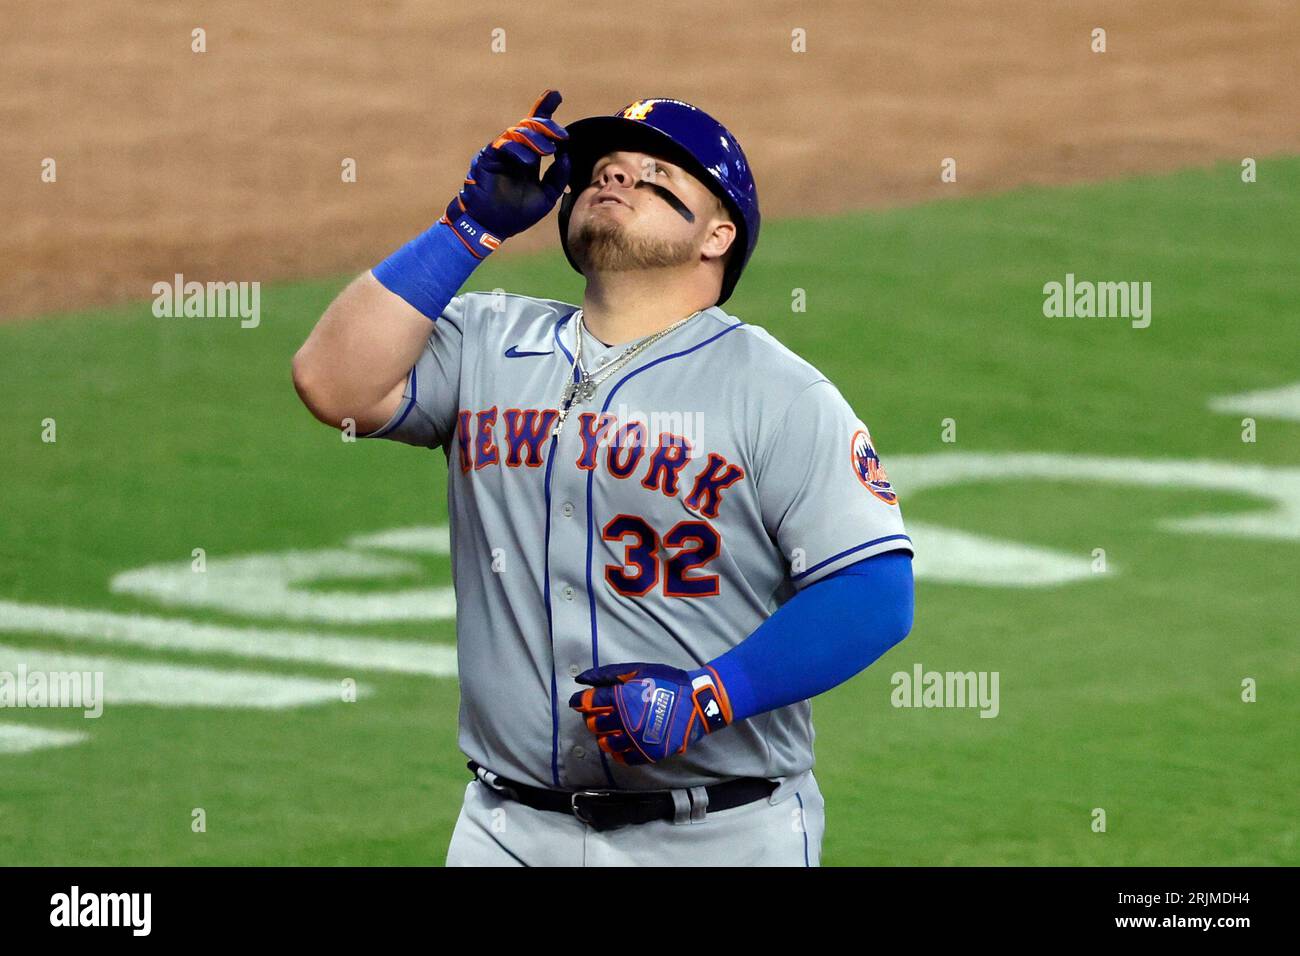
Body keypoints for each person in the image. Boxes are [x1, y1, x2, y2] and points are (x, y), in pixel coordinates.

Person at [292, 90, 916, 866]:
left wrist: (705, 700)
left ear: (718, 235)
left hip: (720, 834)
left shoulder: (776, 391)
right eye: (603, 171)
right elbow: (330, 383)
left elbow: (875, 594)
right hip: (505, 827)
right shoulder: (490, 341)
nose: (615, 180)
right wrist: (467, 226)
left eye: (654, 175)